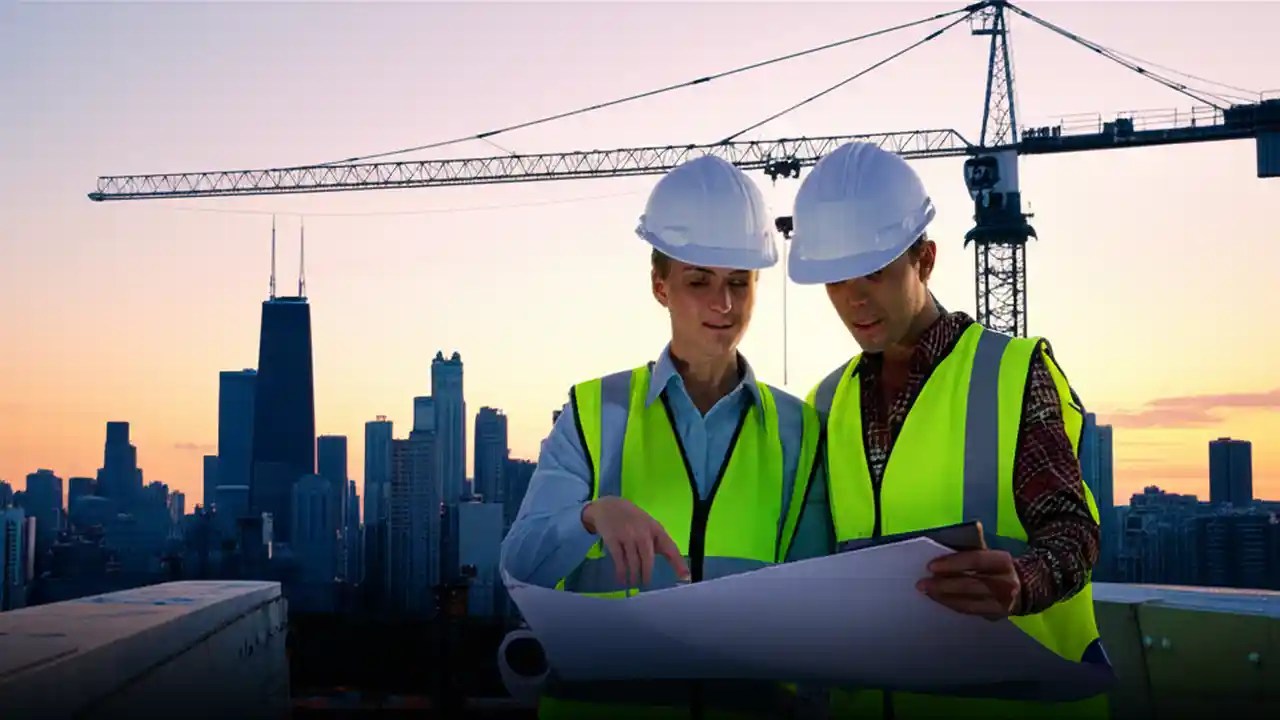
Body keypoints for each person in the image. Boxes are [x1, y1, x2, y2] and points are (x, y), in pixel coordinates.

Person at [786, 141, 1111, 719]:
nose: (854, 299)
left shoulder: (1009, 373)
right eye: (835, 280)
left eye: (875, 274)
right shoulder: (826, 402)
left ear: (926, 260)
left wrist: (1021, 581)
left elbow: (1072, 531)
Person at [500, 154, 831, 719]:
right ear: (661, 286)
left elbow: (818, 606)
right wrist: (590, 516)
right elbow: (521, 566)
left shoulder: (797, 428)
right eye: (699, 281)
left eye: (738, 283)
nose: (722, 304)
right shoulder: (594, 411)